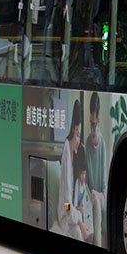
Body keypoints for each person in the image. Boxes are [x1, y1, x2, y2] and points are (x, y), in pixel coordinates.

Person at [55, 98, 83, 239]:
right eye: (77, 135)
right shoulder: (66, 150)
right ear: (72, 128)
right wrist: (78, 217)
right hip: (65, 217)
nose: (78, 141)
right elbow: (66, 203)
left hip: (70, 213)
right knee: (78, 232)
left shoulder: (74, 157)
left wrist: (77, 212)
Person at [85, 92, 106, 247]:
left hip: (100, 196)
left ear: (98, 121)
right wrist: (91, 193)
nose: (92, 128)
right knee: (94, 203)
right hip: (88, 194)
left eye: (94, 124)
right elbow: (84, 179)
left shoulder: (103, 143)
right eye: (90, 124)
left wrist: (98, 194)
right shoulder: (87, 143)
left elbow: (104, 185)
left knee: (98, 204)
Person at [72, 145, 93, 242]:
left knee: (87, 213)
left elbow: (83, 202)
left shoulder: (84, 186)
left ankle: (89, 233)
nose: (83, 177)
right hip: (73, 210)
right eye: (81, 174)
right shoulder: (75, 183)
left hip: (79, 210)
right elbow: (68, 206)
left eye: (84, 174)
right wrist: (77, 208)